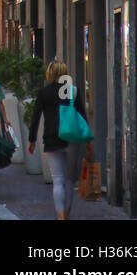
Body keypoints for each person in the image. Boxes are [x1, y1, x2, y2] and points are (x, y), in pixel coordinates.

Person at [27, 59, 93, 221]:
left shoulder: (44, 92)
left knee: (57, 179)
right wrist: (88, 141)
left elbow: (35, 117)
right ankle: (67, 213)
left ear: (50, 73)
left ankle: (60, 215)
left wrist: (32, 139)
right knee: (69, 179)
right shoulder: (74, 91)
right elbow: (82, 117)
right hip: (71, 136)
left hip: (51, 137)